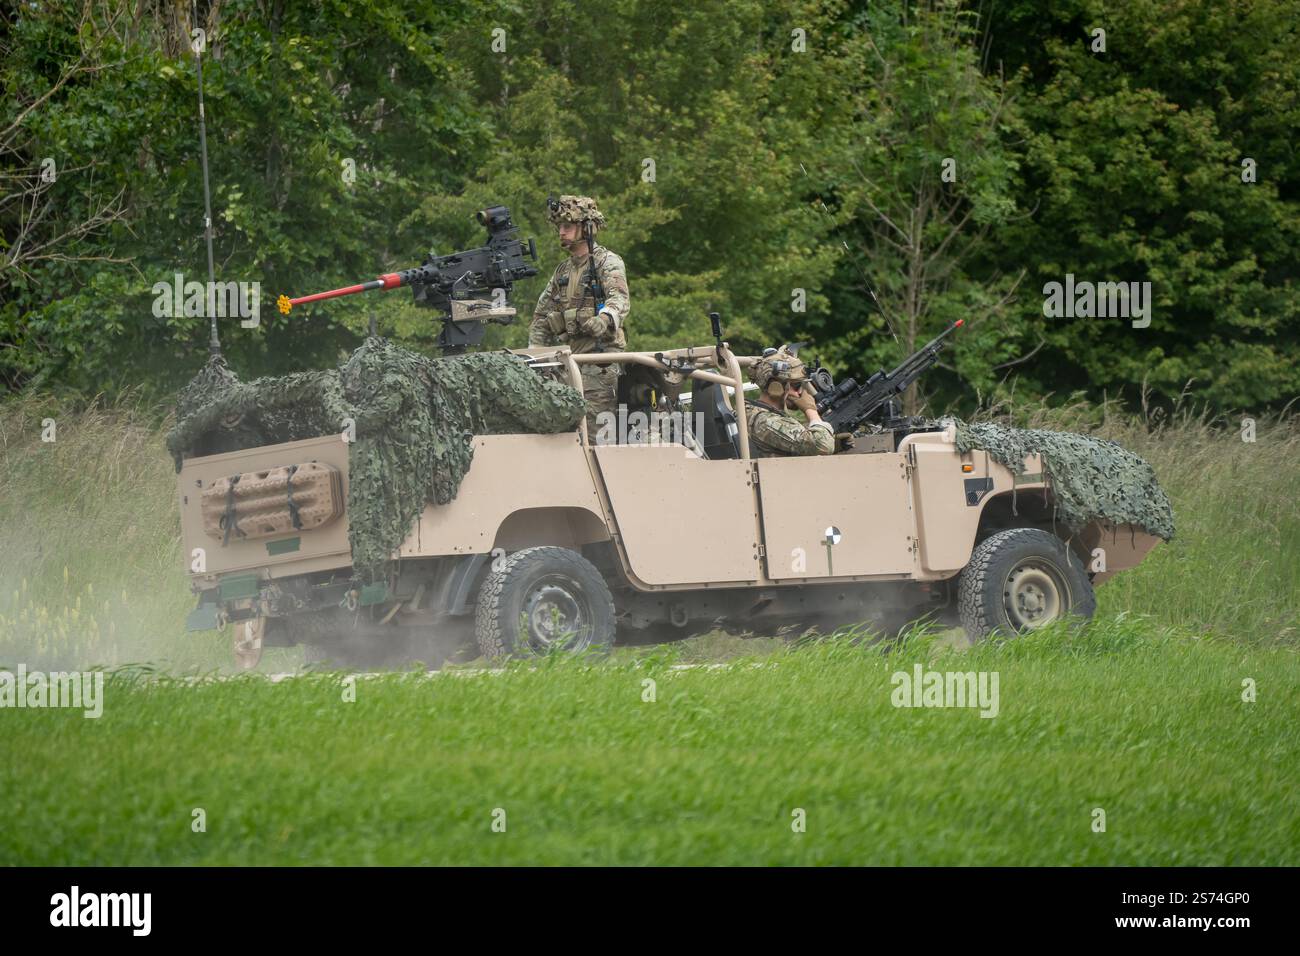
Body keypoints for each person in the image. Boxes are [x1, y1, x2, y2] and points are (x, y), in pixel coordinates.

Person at [529, 195, 630, 439]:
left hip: (601, 365)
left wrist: (604, 319)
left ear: (586, 227)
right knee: (562, 434)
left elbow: (619, 300)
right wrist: (534, 357)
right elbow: (541, 317)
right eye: (559, 227)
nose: (561, 232)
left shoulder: (607, 262)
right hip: (570, 365)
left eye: (567, 226)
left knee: (596, 437)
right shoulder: (563, 271)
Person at [745, 345, 836, 458]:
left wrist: (837, 443)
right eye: (797, 386)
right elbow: (823, 446)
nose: (801, 393)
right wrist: (811, 410)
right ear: (776, 387)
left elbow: (796, 444)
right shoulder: (764, 421)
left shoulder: (764, 415)